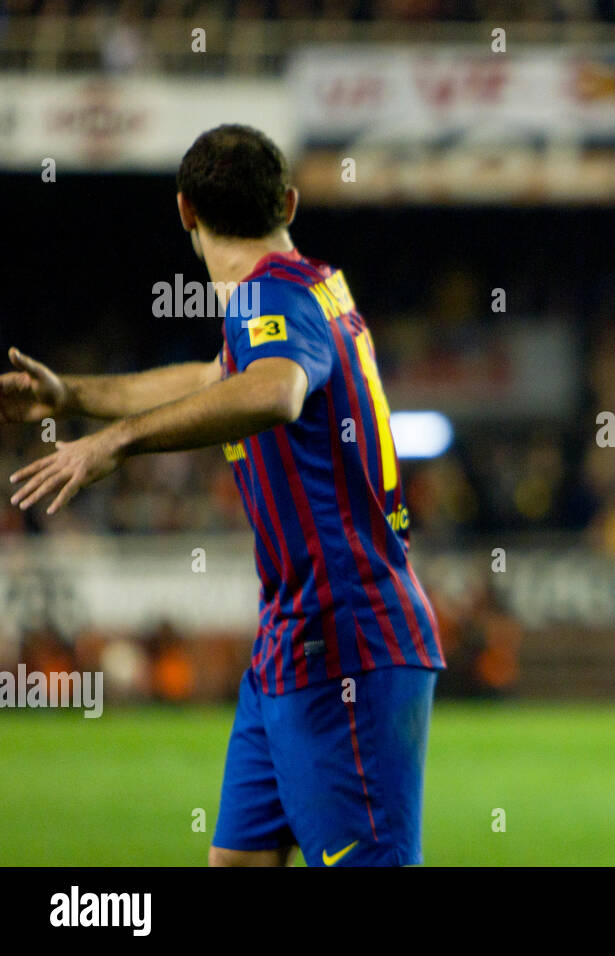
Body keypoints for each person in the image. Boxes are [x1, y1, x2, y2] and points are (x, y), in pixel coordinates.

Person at [3, 124, 443, 867]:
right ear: (291, 201)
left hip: (345, 637)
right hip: (292, 635)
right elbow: (220, 380)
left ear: (185, 213)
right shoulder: (312, 286)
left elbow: (274, 392)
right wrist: (71, 395)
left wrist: (118, 441)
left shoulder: (264, 295)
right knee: (236, 862)